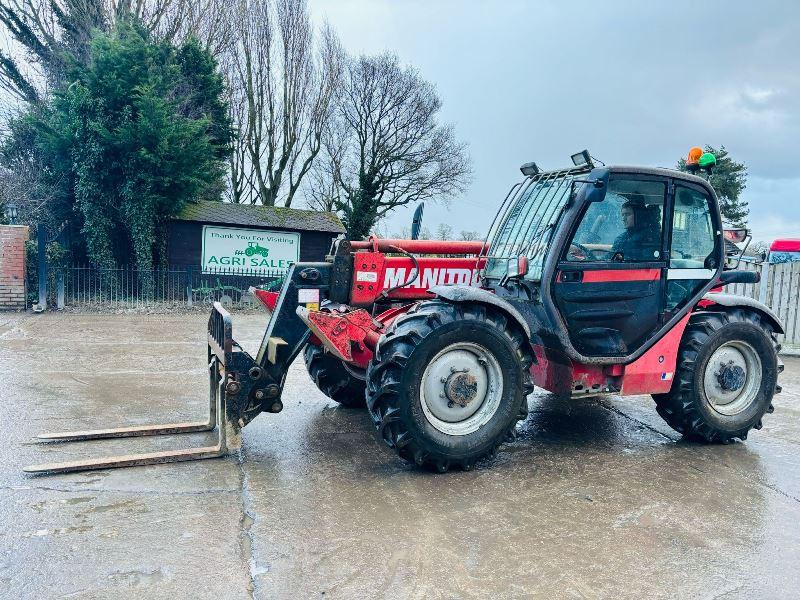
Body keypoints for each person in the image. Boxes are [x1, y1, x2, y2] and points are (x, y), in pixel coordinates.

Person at [611, 194, 661, 261]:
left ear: (639, 216)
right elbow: (610, 258)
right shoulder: (622, 238)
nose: (623, 219)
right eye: (623, 215)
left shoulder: (649, 237)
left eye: (628, 214)